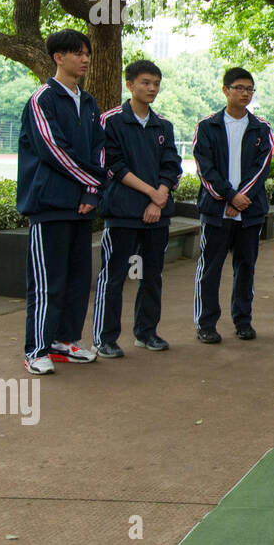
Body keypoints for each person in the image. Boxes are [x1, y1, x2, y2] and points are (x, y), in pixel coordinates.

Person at [17, 29, 105, 374]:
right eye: (77, 53)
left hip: (81, 206)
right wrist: (92, 182)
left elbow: (99, 147)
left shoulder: (89, 101)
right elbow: (53, 151)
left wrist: (91, 193)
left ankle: (64, 342)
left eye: (86, 53)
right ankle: (36, 348)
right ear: (58, 57)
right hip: (49, 205)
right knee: (46, 281)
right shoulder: (43, 99)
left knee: (78, 278)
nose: (84, 59)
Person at [91, 60, 182, 357]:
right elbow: (113, 165)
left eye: (156, 83)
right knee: (114, 276)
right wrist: (152, 195)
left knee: (152, 275)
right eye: (145, 82)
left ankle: (146, 332)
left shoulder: (163, 125)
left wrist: (162, 195)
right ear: (129, 84)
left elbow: (172, 165)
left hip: (158, 216)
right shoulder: (111, 121)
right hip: (123, 212)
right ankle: (105, 338)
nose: (152, 88)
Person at [191, 68, 273, 344]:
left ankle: (243, 321)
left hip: (250, 211)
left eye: (249, 89)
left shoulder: (262, 128)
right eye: (239, 88)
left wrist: (240, 199)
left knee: (246, 267)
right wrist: (228, 197)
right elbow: (205, 168)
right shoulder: (207, 126)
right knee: (210, 268)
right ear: (225, 90)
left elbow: (261, 168)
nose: (245, 93)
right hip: (216, 210)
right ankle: (206, 323)